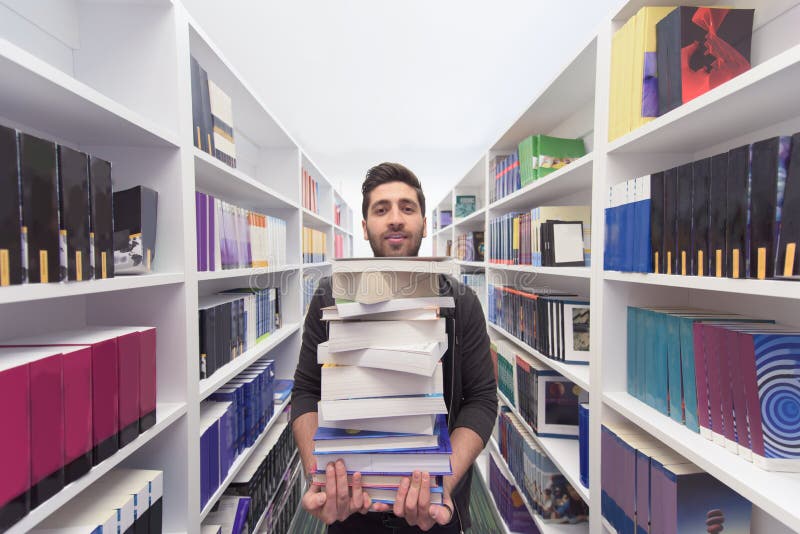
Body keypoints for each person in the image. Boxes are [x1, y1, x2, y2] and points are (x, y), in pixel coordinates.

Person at [291, 162, 497, 532]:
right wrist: (319, 477)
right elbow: (306, 391)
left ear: (424, 223)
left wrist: (442, 484)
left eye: (407, 207)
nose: (396, 219)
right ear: (365, 227)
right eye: (381, 209)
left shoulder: (462, 302)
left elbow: (481, 400)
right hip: (350, 510)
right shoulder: (329, 296)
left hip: (435, 510)